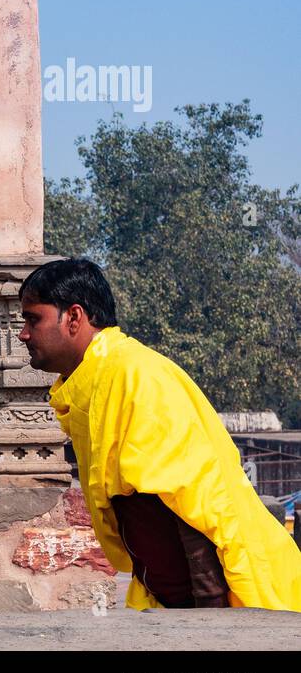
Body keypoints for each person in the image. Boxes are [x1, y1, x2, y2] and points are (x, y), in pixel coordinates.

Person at [18, 257, 301, 609]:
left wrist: (211, 618)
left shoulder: (132, 376)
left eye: (33, 319)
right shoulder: (98, 380)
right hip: (178, 600)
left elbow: (191, 505)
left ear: (74, 318)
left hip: (231, 598)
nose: (23, 333)